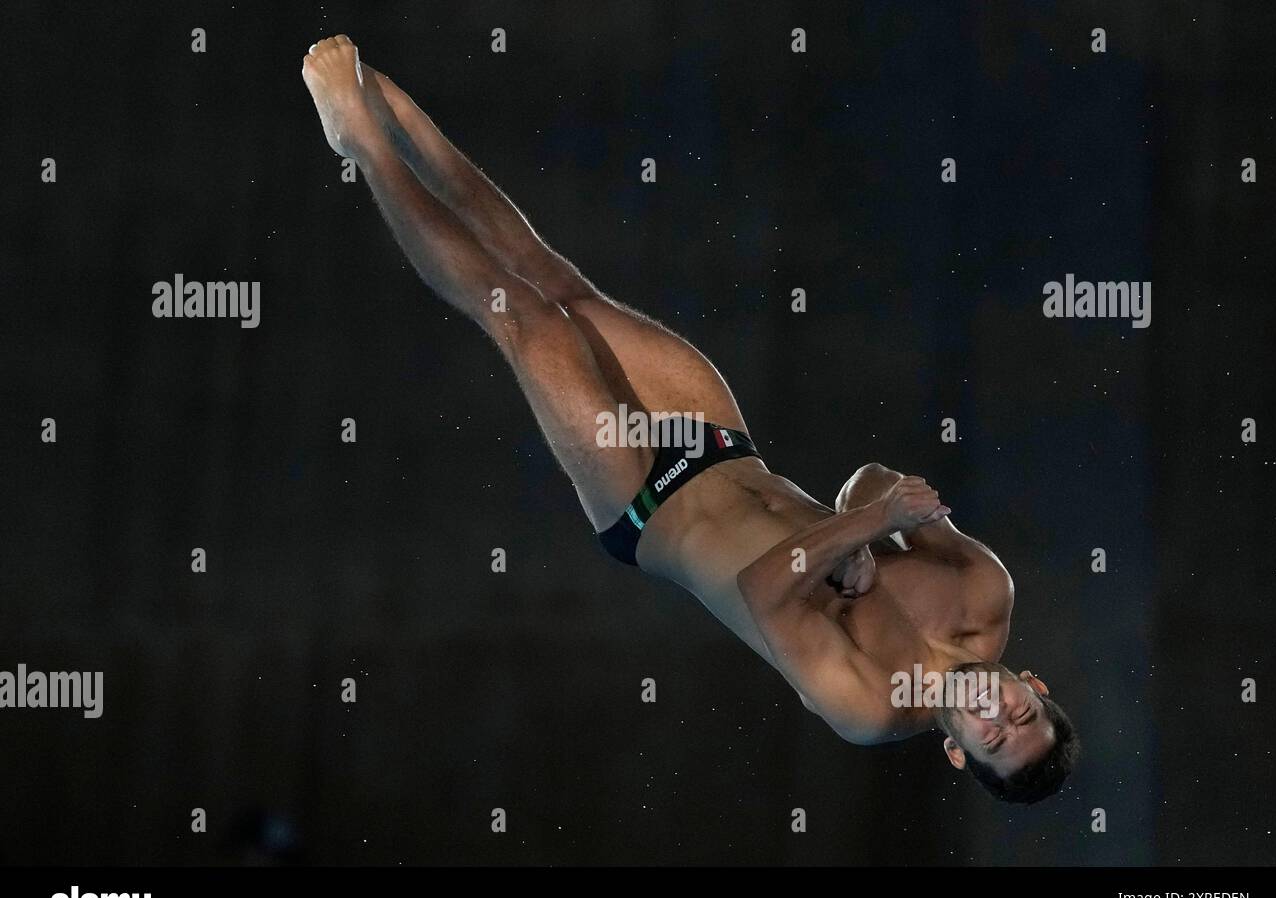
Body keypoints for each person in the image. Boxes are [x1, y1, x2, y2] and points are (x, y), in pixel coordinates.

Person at [301, 35, 1079, 803]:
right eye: (1022, 715)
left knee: (523, 318)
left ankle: (363, 143)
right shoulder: (983, 591)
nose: (997, 718)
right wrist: (865, 521)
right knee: (559, 284)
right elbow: (877, 483)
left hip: (646, 504)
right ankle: (399, 112)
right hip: (721, 447)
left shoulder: (870, 707)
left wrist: (864, 532)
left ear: (956, 754)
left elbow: (764, 585)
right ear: (1033, 686)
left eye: (994, 744)